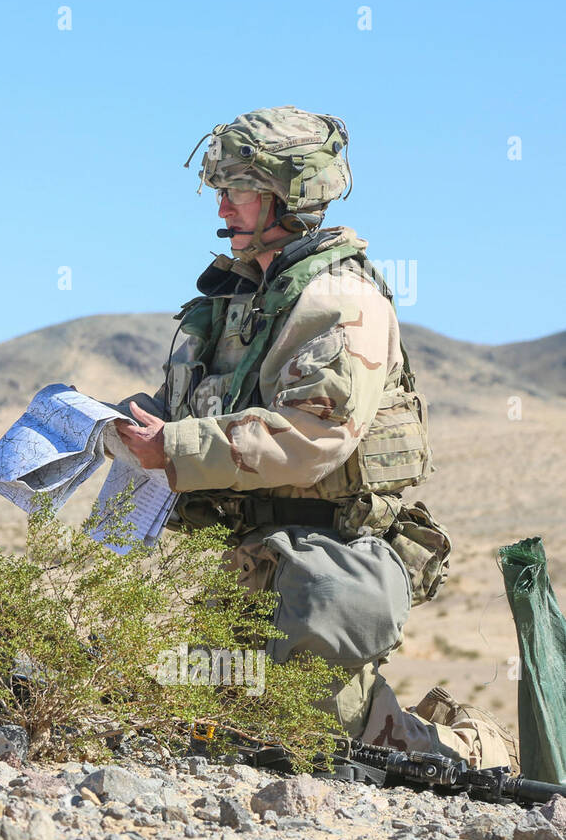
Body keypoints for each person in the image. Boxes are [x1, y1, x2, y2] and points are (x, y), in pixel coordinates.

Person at [114, 106, 518, 771]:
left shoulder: (339, 297)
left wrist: (177, 449)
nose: (222, 200)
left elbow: (315, 436)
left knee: (332, 753)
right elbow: (196, 410)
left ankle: (477, 748)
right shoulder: (242, 304)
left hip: (327, 568)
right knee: (215, 739)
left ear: (291, 193)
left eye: (239, 185)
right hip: (248, 564)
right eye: (219, 184)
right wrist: (117, 423)